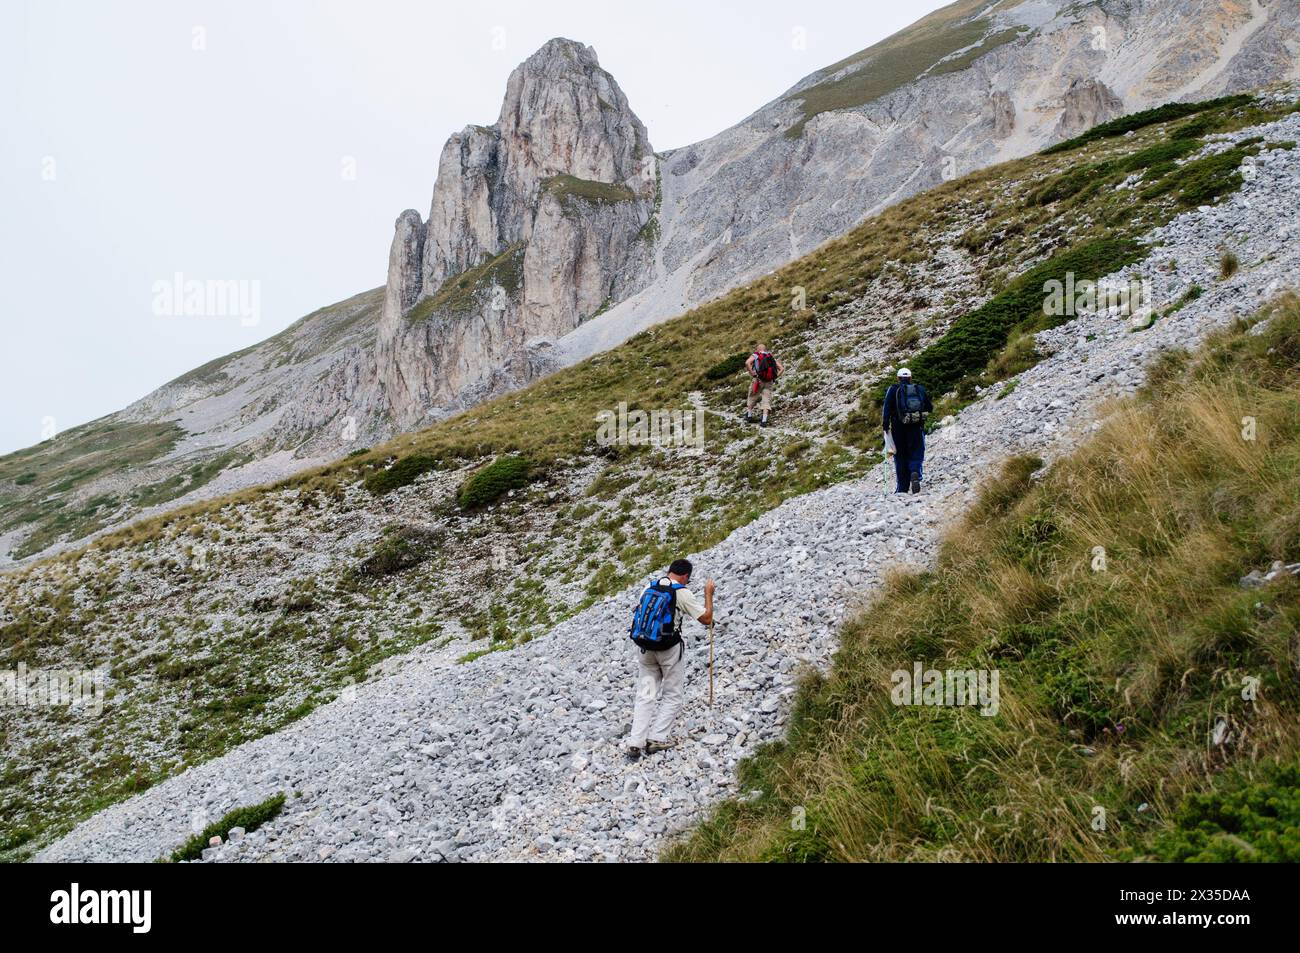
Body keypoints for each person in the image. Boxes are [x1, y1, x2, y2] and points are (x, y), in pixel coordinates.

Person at [626, 558, 715, 759]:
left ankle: (635, 742)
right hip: (669, 651)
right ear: (685, 576)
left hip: (645, 648)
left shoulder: (649, 586)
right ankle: (657, 737)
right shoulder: (682, 592)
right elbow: (706, 619)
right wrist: (708, 595)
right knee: (672, 694)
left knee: (646, 694)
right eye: (687, 579)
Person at [882, 367, 932, 494]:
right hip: (916, 425)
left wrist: (885, 426)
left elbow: (886, 408)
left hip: (898, 427)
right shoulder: (919, 389)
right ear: (910, 378)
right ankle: (915, 471)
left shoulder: (893, 389)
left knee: (900, 456)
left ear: (898, 378)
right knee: (916, 451)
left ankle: (902, 488)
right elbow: (929, 407)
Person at [744, 344, 784, 427]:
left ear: (758, 349)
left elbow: (747, 363)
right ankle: (764, 420)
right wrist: (774, 377)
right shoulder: (770, 356)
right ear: (765, 349)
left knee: (752, 396)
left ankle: (749, 415)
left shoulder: (756, 355)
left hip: (758, 380)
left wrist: (752, 372)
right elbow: (782, 369)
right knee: (766, 400)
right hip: (769, 381)